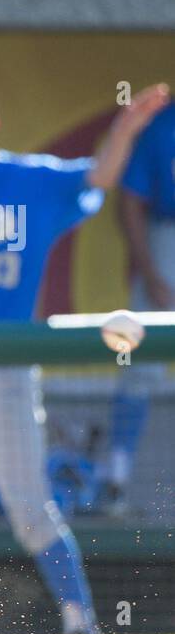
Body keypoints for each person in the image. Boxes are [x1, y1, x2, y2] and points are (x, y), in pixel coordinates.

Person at [0, 74, 168, 634]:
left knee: (31, 511)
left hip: (6, 368)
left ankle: (79, 620)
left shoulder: (27, 179)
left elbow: (99, 176)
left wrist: (126, 127)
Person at [101, 98, 175, 514]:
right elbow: (129, 200)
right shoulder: (163, 125)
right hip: (166, 240)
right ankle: (117, 479)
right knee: (138, 364)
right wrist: (150, 272)